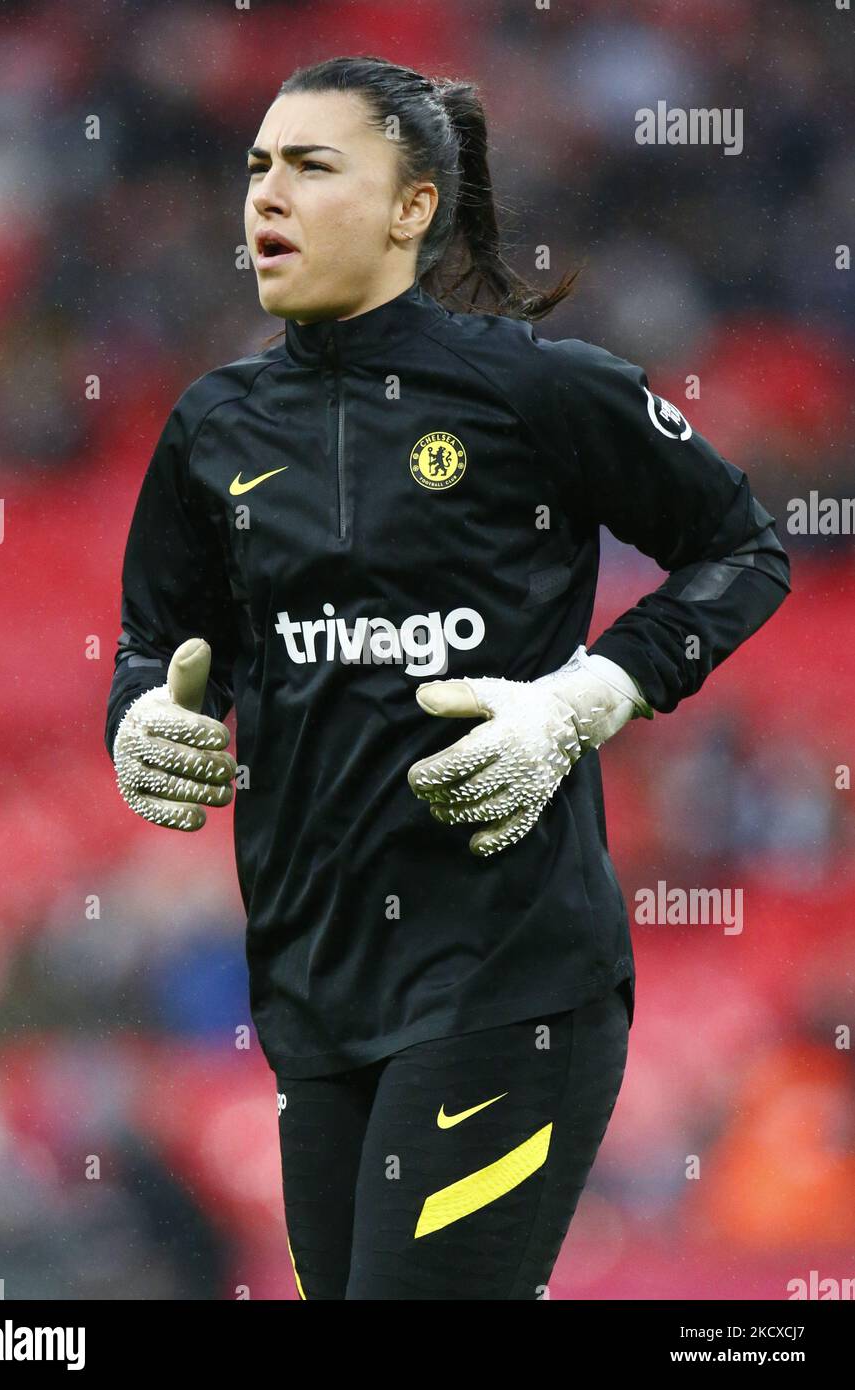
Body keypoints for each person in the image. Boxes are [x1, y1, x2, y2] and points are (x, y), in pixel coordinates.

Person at [103, 55, 791, 1300]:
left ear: (414, 207)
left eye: (312, 166)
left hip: (509, 981)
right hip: (312, 997)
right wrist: (143, 717)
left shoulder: (538, 390)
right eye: (259, 165)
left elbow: (743, 548)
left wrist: (586, 699)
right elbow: (154, 642)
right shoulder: (212, 428)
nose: (267, 193)